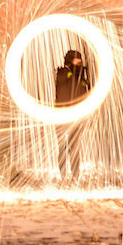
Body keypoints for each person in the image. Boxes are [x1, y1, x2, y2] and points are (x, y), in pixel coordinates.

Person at [54, 49, 91, 181]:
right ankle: (63, 175)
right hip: (62, 117)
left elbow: (87, 92)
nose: (79, 64)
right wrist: (77, 73)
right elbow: (63, 82)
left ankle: (75, 175)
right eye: (76, 61)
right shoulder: (63, 73)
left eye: (80, 62)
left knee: (75, 147)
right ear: (70, 62)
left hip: (76, 117)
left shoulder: (81, 77)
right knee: (63, 147)